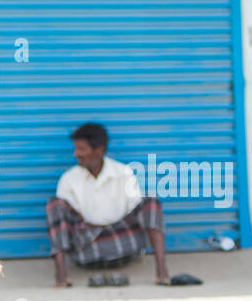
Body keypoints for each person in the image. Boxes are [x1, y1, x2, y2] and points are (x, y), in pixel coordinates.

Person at [47, 123, 170, 287]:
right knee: (54, 205)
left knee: (151, 203)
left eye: (82, 149)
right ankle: (61, 277)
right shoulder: (69, 179)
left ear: (99, 150)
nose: (76, 154)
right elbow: (68, 220)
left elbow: (135, 210)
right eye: (76, 149)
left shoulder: (123, 173)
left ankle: (162, 272)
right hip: (87, 245)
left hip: (123, 242)